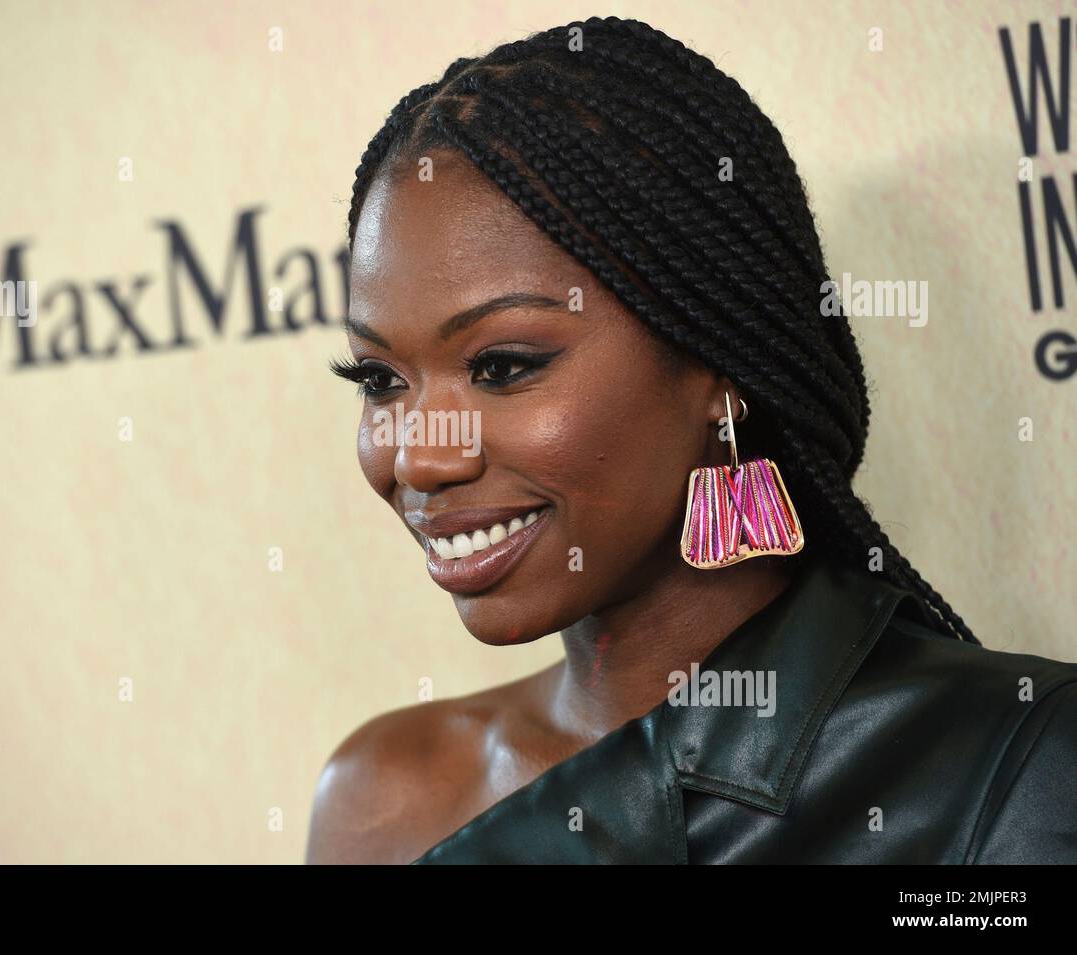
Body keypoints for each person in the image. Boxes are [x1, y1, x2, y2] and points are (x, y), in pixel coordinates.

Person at [305, 15, 1077, 864]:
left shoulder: (1012, 767)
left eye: (503, 365)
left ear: (717, 361)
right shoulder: (379, 800)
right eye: (380, 380)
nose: (417, 454)